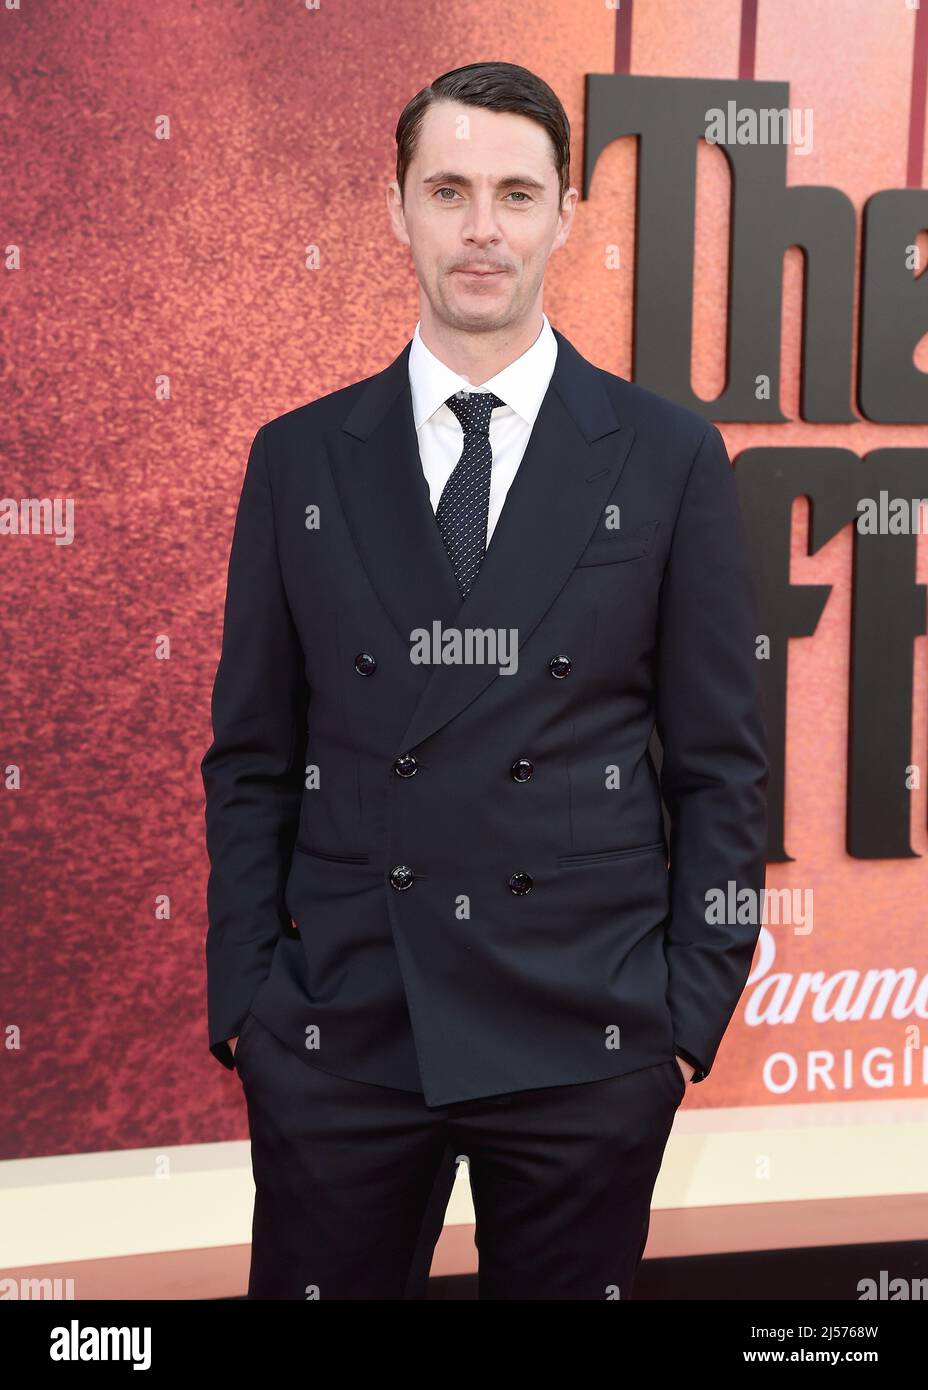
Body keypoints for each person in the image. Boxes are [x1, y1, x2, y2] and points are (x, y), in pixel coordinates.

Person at [200, 60, 768, 1300]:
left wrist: (682, 1021)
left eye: (516, 193)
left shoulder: (667, 456)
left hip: (587, 1033)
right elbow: (249, 754)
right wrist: (248, 1001)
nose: (481, 229)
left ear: (566, 214)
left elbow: (724, 767)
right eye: (446, 189)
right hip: (343, 1032)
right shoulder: (297, 457)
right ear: (395, 208)